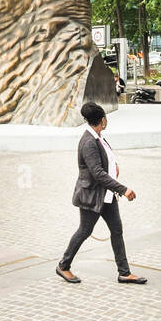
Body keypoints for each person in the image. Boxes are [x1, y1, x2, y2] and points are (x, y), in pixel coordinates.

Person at [56, 102, 147, 286]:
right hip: (92, 196)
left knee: (116, 230)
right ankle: (63, 265)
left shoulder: (98, 137)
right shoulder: (89, 142)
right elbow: (97, 173)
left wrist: (114, 168)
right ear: (102, 120)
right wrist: (123, 189)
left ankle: (124, 273)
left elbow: (104, 163)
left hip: (106, 195)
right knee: (85, 230)